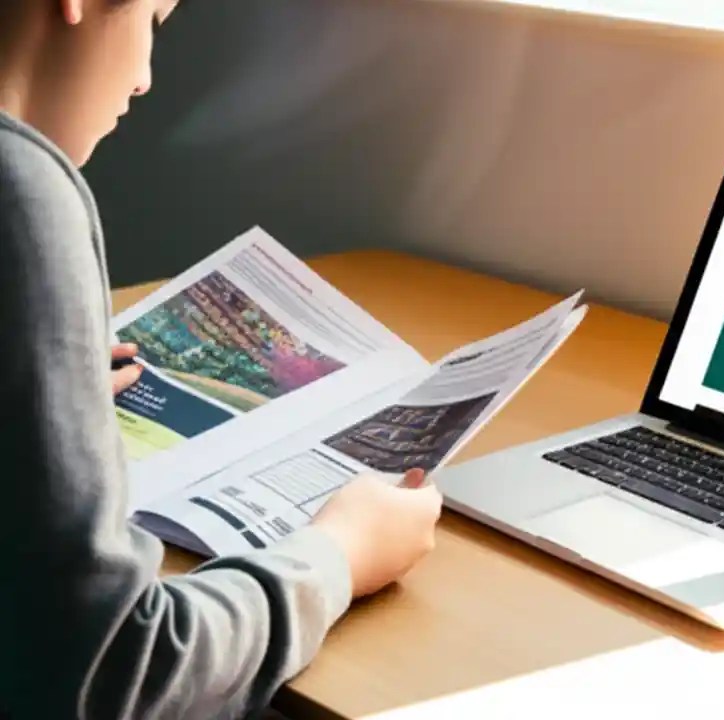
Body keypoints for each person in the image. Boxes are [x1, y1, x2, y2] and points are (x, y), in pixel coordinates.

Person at [0, 1, 446, 717]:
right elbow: (111, 671)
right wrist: (339, 554)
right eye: (152, 20)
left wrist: (34, 390)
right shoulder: (20, 191)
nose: (144, 79)